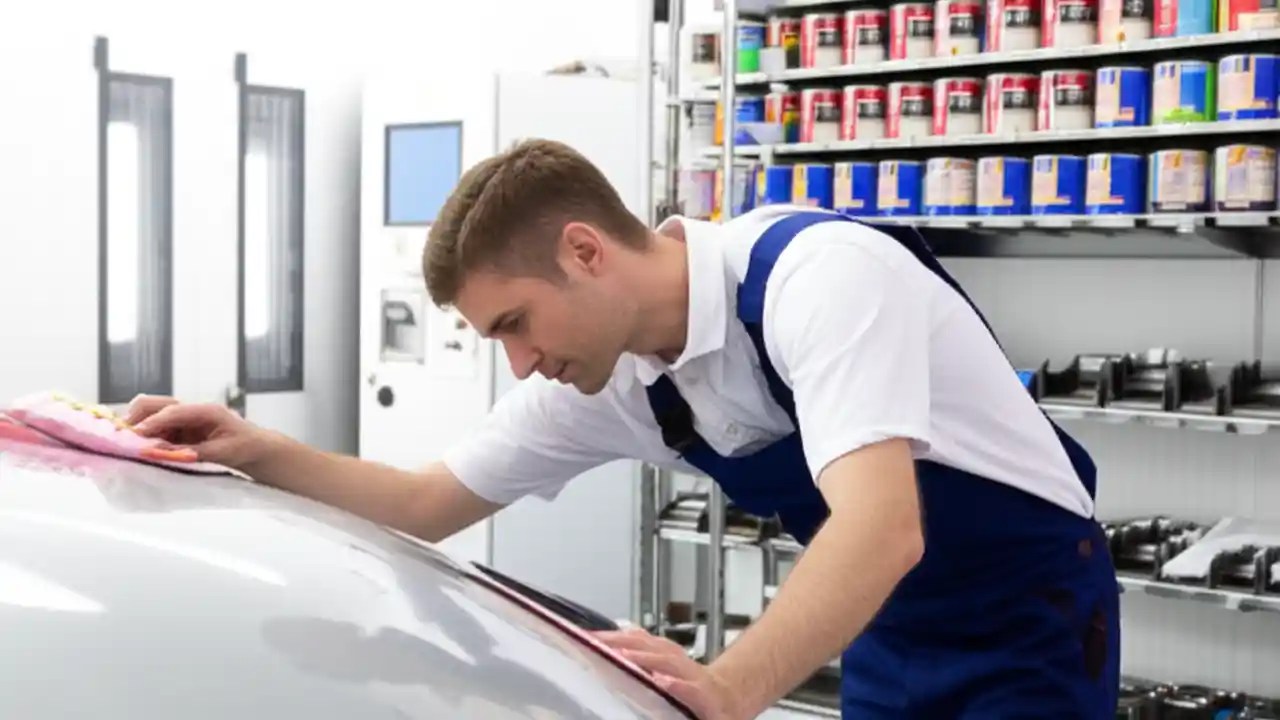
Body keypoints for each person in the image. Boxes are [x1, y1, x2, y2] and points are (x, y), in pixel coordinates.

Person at [128, 138, 1120, 719]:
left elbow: (881, 528)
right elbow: (425, 502)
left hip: (1026, 609)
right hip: (891, 622)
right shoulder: (613, 380)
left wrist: (728, 688)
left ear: (584, 251)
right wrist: (253, 452)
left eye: (513, 324)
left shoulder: (820, 277)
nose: (517, 363)